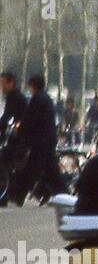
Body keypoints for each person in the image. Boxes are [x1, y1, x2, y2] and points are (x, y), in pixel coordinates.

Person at [6, 74, 60, 206]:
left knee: (30, 169)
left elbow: (30, 120)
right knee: (48, 170)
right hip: (47, 139)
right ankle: (54, 193)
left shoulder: (37, 99)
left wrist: (19, 131)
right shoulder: (45, 98)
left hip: (40, 141)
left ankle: (18, 195)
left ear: (32, 86)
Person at [0, 71, 27, 138]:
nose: (1, 86)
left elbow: (7, 115)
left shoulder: (13, 96)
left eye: (3, 83)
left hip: (22, 132)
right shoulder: (15, 95)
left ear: (11, 83)